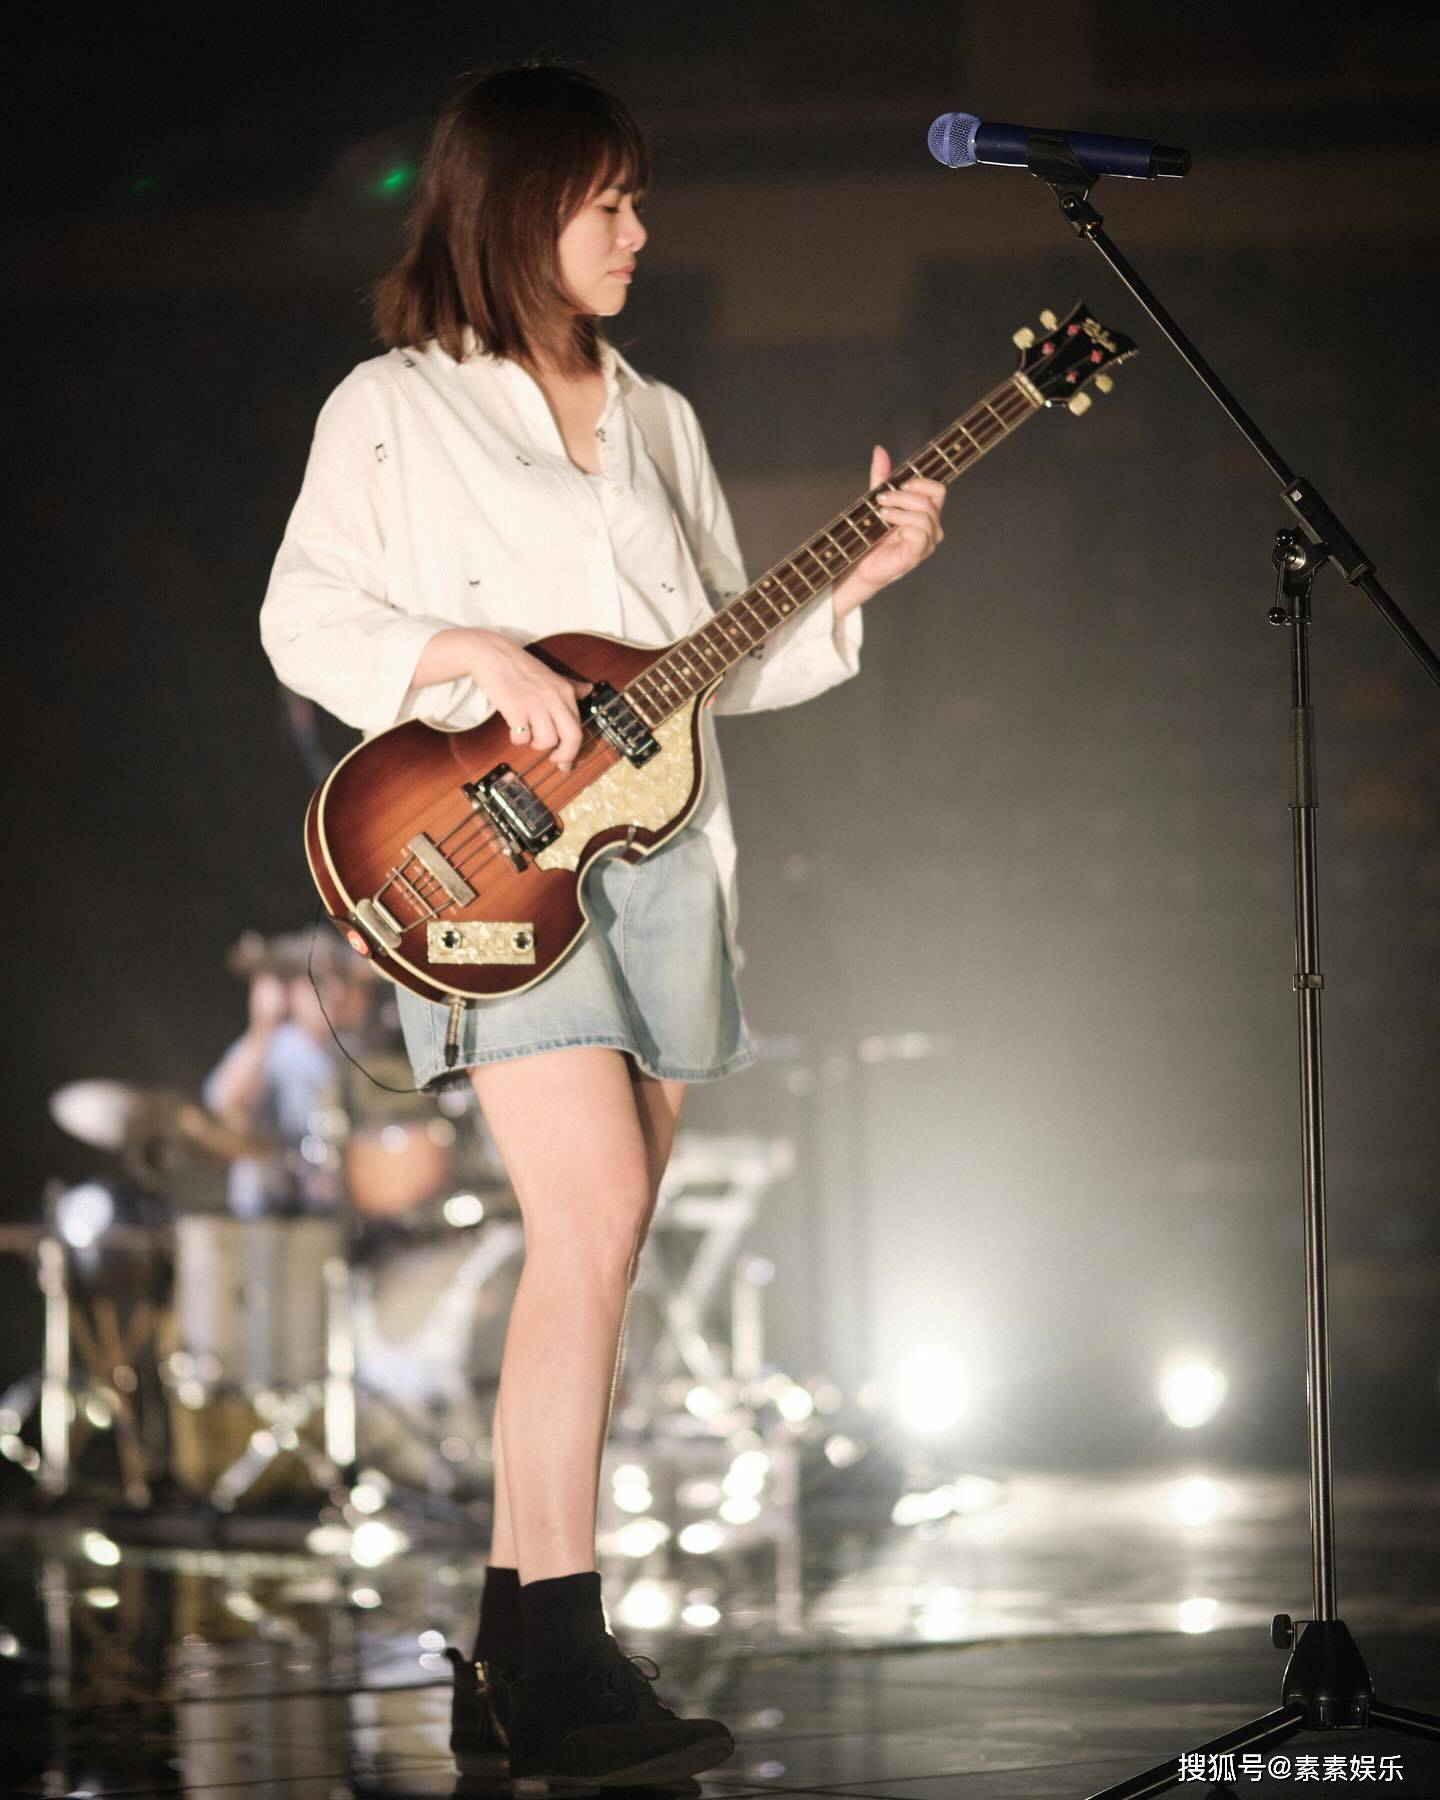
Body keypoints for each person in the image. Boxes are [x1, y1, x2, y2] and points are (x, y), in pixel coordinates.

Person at [258, 61, 945, 1791]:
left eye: (638, 200)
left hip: (666, 856)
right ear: (517, 208)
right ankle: (563, 1650)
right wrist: (467, 656)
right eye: (608, 200)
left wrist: (852, 587)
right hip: (493, 860)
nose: (639, 229)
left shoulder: (660, 419)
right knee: (598, 1211)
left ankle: (517, 1652)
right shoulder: (395, 405)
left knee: (602, 1249)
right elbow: (305, 617)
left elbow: (709, 666)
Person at [204, 929, 383, 1219]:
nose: (336, 992)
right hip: (273, 1213)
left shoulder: (358, 1051)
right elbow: (224, 1102)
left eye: (343, 980)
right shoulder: (275, 1046)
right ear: (290, 991)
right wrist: (264, 1023)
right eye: (319, 982)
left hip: (338, 1212)